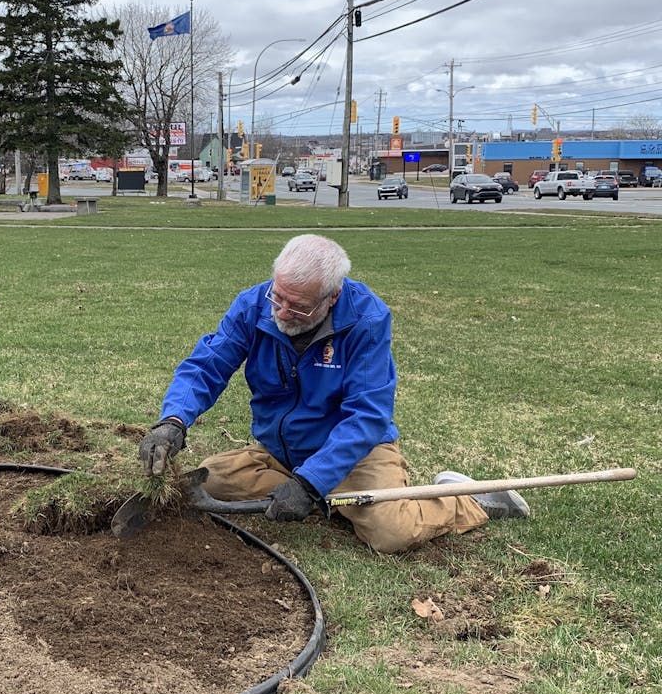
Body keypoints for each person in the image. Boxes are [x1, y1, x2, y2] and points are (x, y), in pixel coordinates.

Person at [138, 233, 528, 553]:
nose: (282, 312)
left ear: (332, 297)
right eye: (278, 297)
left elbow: (367, 416)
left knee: (390, 532)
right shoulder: (252, 306)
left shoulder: (367, 321)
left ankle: (463, 499)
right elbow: (207, 365)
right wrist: (173, 420)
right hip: (283, 453)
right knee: (210, 482)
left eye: (299, 306)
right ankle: (334, 500)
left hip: (355, 454)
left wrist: (311, 482)